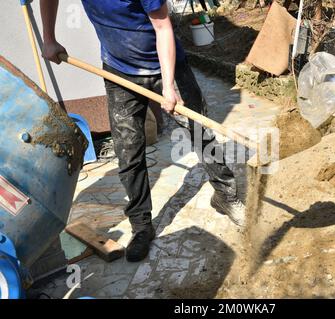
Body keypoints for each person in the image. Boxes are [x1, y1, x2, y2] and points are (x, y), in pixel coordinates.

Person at [40, 0, 245, 262]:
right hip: (119, 71)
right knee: (128, 150)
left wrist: (169, 86)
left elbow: (163, 28)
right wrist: (49, 37)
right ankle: (141, 226)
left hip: (164, 63)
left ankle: (226, 196)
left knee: (199, 131)